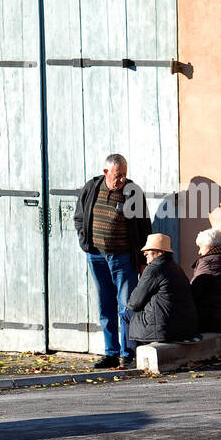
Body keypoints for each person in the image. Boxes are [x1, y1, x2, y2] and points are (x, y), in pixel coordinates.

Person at [75, 153, 151, 370]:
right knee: (105, 304)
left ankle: (128, 352)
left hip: (123, 257)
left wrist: (143, 258)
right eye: (117, 176)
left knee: (127, 305)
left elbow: (145, 226)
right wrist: (85, 242)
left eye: (124, 175)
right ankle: (111, 353)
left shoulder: (132, 192)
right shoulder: (92, 188)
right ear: (106, 172)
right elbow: (79, 217)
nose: (121, 180)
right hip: (96, 256)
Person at [125, 233, 200, 345]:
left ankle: (130, 355)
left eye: (149, 249)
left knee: (126, 313)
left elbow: (134, 303)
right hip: (186, 328)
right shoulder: (176, 267)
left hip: (166, 330)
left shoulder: (154, 269)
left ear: (160, 252)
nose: (144, 252)